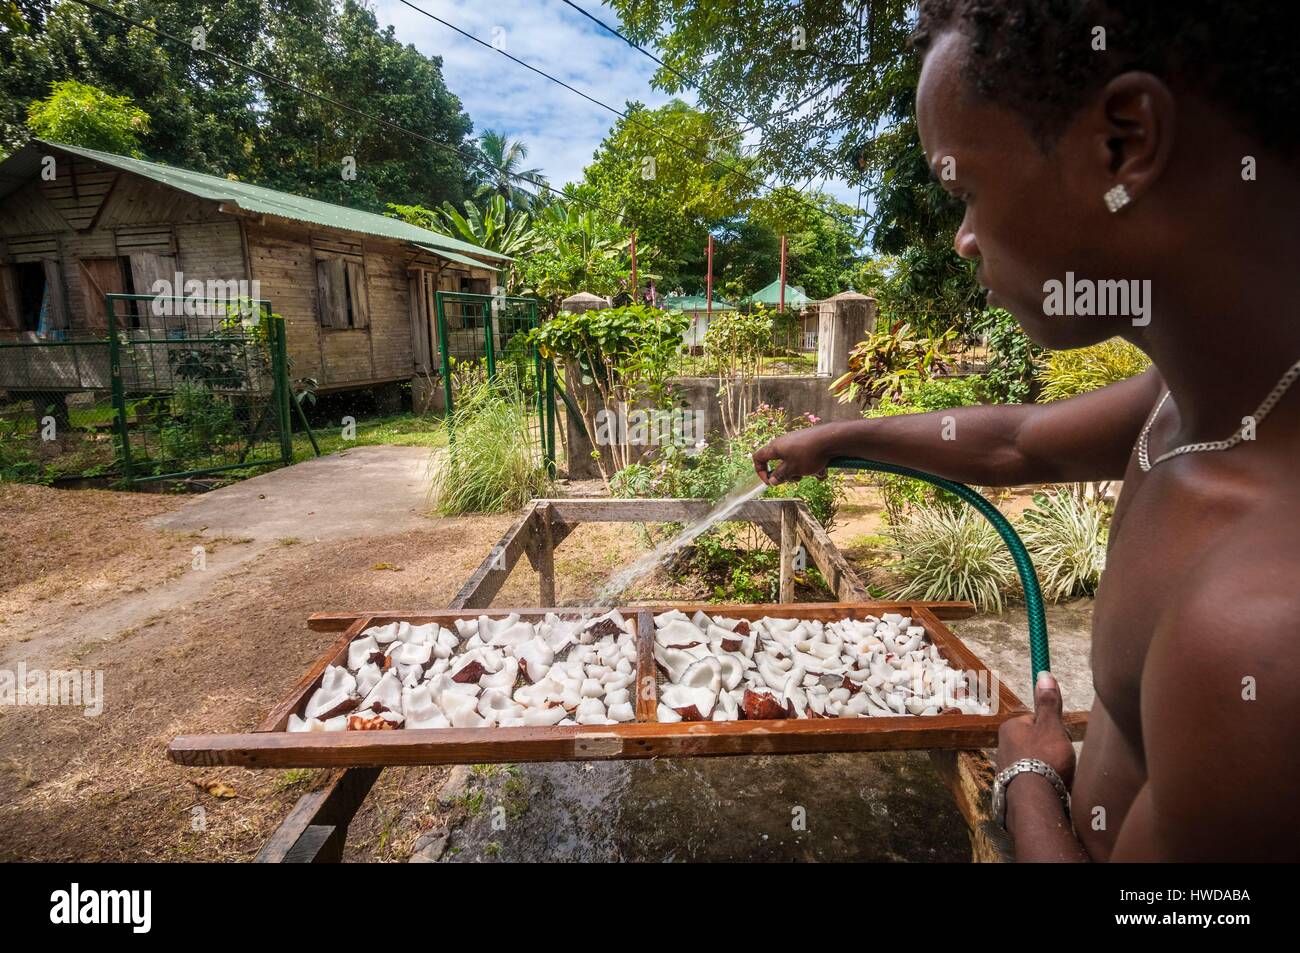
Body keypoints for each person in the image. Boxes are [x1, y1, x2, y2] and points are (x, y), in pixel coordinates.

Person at [753, 1, 1300, 861]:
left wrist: (1031, 783)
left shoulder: (1261, 632)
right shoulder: (1202, 405)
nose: (964, 238)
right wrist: (839, 438)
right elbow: (1021, 440)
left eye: (965, 190)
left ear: (1123, 144)